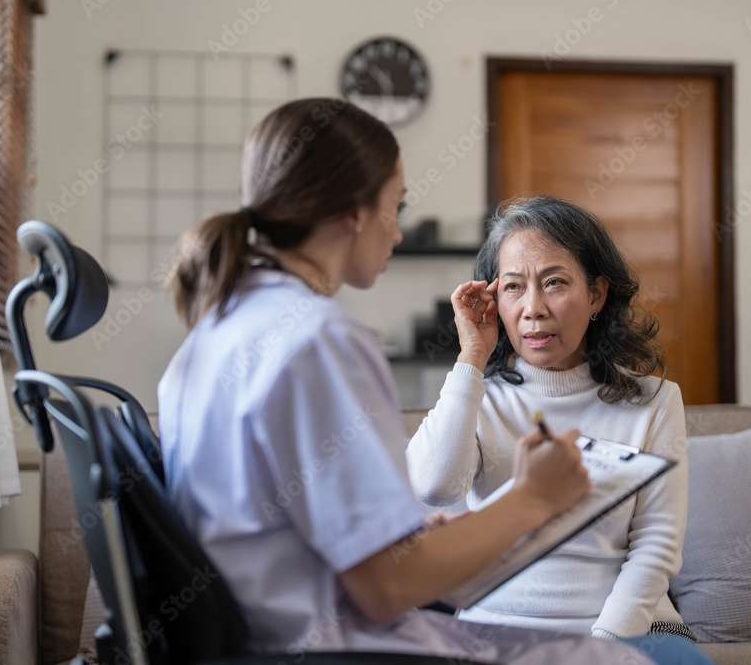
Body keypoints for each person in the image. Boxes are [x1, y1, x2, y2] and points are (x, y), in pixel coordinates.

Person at [158, 98, 710, 664]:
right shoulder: (322, 340)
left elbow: (330, 540)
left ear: (597, 293)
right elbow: (388, 585)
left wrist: (429, 541)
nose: (397, 232)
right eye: (394, 206)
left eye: (555, 284)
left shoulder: (213, 334)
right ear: (352, 211)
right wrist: (532, 498)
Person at [406, 196, 693, 644]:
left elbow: (655, 550)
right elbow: (434, 489)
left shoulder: (655, 401)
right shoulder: (475, 396)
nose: (533, 308)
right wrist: (471, 358)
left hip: (621, 633)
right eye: (514, 287)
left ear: (596, 293)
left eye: (555, 283)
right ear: (493, 298)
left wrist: (601, 649)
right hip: (495, 631)